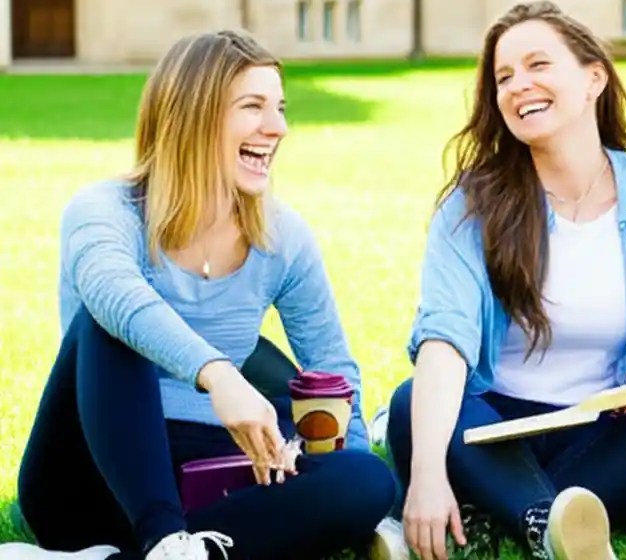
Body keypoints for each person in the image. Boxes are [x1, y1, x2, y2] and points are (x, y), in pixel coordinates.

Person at [2, 31, 399, 560]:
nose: (277, 127)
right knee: (111, 320)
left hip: (210, 473)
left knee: (368, 479)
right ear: (194, 115)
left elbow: (331, 365)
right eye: (253, 106)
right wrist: (217, 374)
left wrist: (339, 464)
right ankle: (164, 542)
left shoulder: (283, 238)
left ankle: (146, 556)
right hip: (89, 477)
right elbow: (113, 293)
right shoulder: (104, 210)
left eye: (279, 107)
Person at [386, 0, 626, 560]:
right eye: (503, 77)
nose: (518, 86)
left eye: (538, 65)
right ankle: (551, 524)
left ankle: (509, 513)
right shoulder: (473, 205)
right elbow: (445, 340)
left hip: (600, 427)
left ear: (593, 79)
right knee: (416, 400)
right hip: (492, 426)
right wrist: (427, 474)